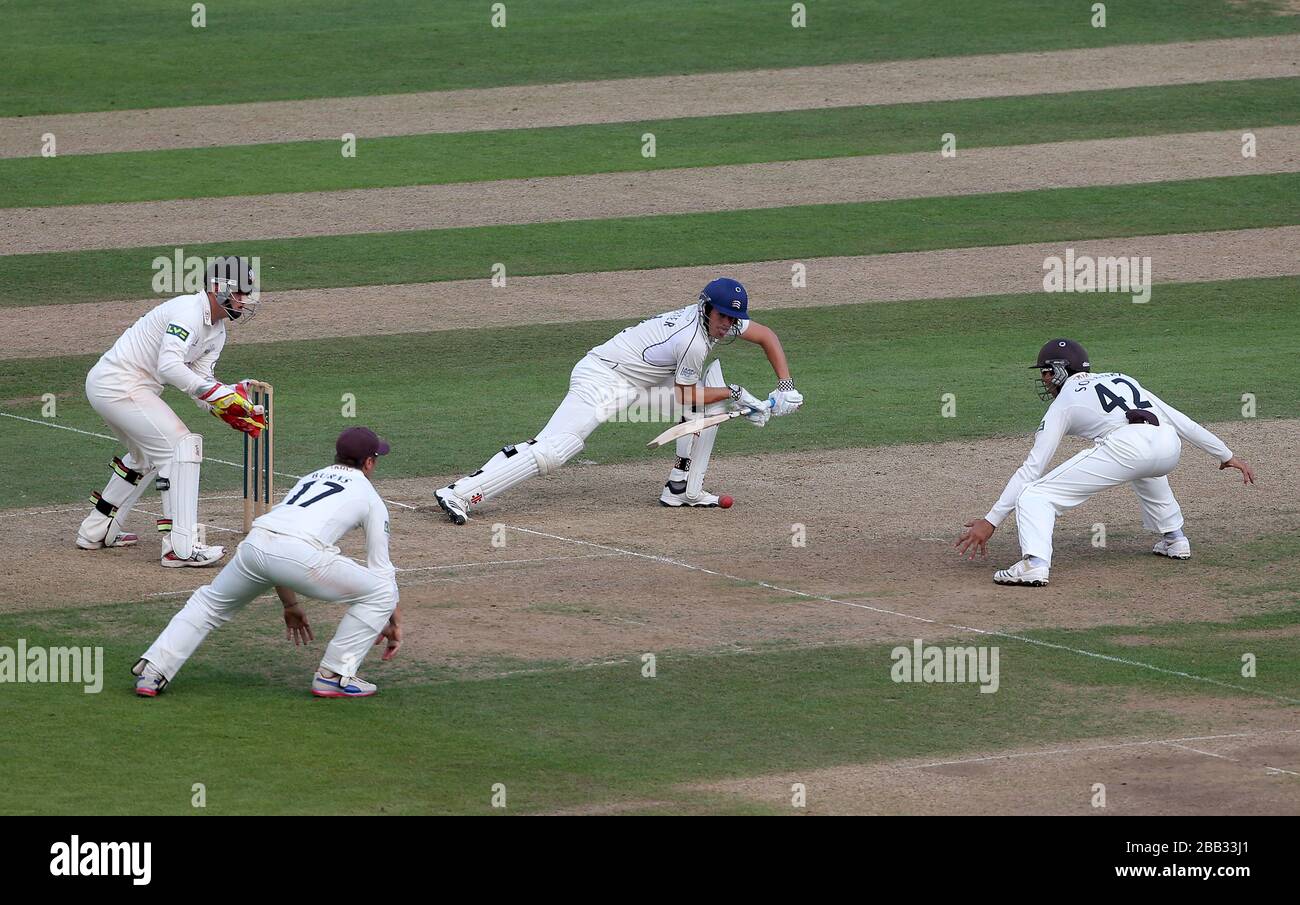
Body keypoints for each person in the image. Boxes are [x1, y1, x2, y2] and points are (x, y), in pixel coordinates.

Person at [434, 277, 804, 523]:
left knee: (711, 400)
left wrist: (785, 386)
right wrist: (739, 395)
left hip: (640, 385)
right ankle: (461, 493)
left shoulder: (723, 321)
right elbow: (685, 393)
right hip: (604, 377)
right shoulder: (692, 341)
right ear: (706, 308)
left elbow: (767, 335)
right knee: (557, 448)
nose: (728, 325)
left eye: (733, 319)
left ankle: (681, 490)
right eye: (723, 317)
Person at [955, 339, 1255, 586]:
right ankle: (1175, 538)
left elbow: (1032, 468)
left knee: (1034, 494)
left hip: (1128, 446)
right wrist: (1226, 456)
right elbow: (1181, 421)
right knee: (1146, 469)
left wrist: (990, 520)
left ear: (1060, 371)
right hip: (1168, 446)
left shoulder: (1064, 401)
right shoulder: (1122, 378)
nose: (1044, 379)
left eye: (1047, 371)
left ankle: (1034, 563)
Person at [133, 427, 402, 698]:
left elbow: (275, 547)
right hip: (301, 557)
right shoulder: (370, 497)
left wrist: (291, 604)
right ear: (369, 462)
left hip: (255, 546)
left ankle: (153, 669)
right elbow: (381, 572)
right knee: (382, 591)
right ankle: (333, 675)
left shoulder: (310, 478)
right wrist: (390, 619)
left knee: (208, 604)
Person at [76, 256, 267, 567]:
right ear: (219, 288)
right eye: (242, 292)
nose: (246, 300)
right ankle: (180, 546)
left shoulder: (217, 332)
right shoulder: (188, 313)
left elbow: (202, 384)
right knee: (181, 447)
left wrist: (229, 402)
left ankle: (96, 530)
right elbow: (169, 366)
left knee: (146, 456)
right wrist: (216, 393)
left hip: (123, 386)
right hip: (119, 385)